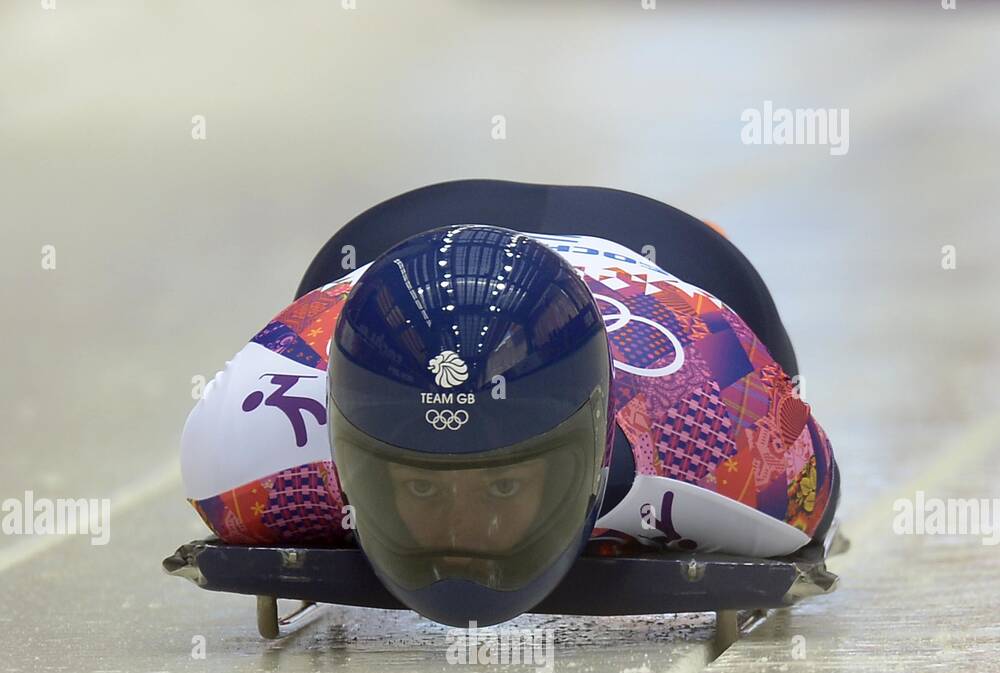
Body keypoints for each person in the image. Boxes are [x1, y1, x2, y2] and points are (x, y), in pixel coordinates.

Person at [181, 180, 839, 626]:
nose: (465, 534)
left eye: (499, 487)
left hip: (666, 256)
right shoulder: (241, 440)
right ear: (349, 452)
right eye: (421, 486)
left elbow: (815, 499)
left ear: (586, 452)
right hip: (393, 246)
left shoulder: (730, 442)